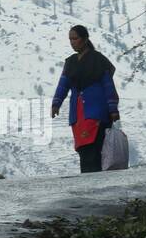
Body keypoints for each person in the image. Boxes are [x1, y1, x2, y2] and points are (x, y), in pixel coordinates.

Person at [50, 25, 120, 173]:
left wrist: (113, 109)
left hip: (97, 111)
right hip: (78, 114)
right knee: (83, 149)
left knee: (95, 148)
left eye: (75, 38)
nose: (72, 42)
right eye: (70, 39)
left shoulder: (98, 60)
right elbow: (63, 85)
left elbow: (108, 86)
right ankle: (88, 181)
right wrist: (56, 104)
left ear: (85, 39)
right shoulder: (70, 62)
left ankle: (96, 182)